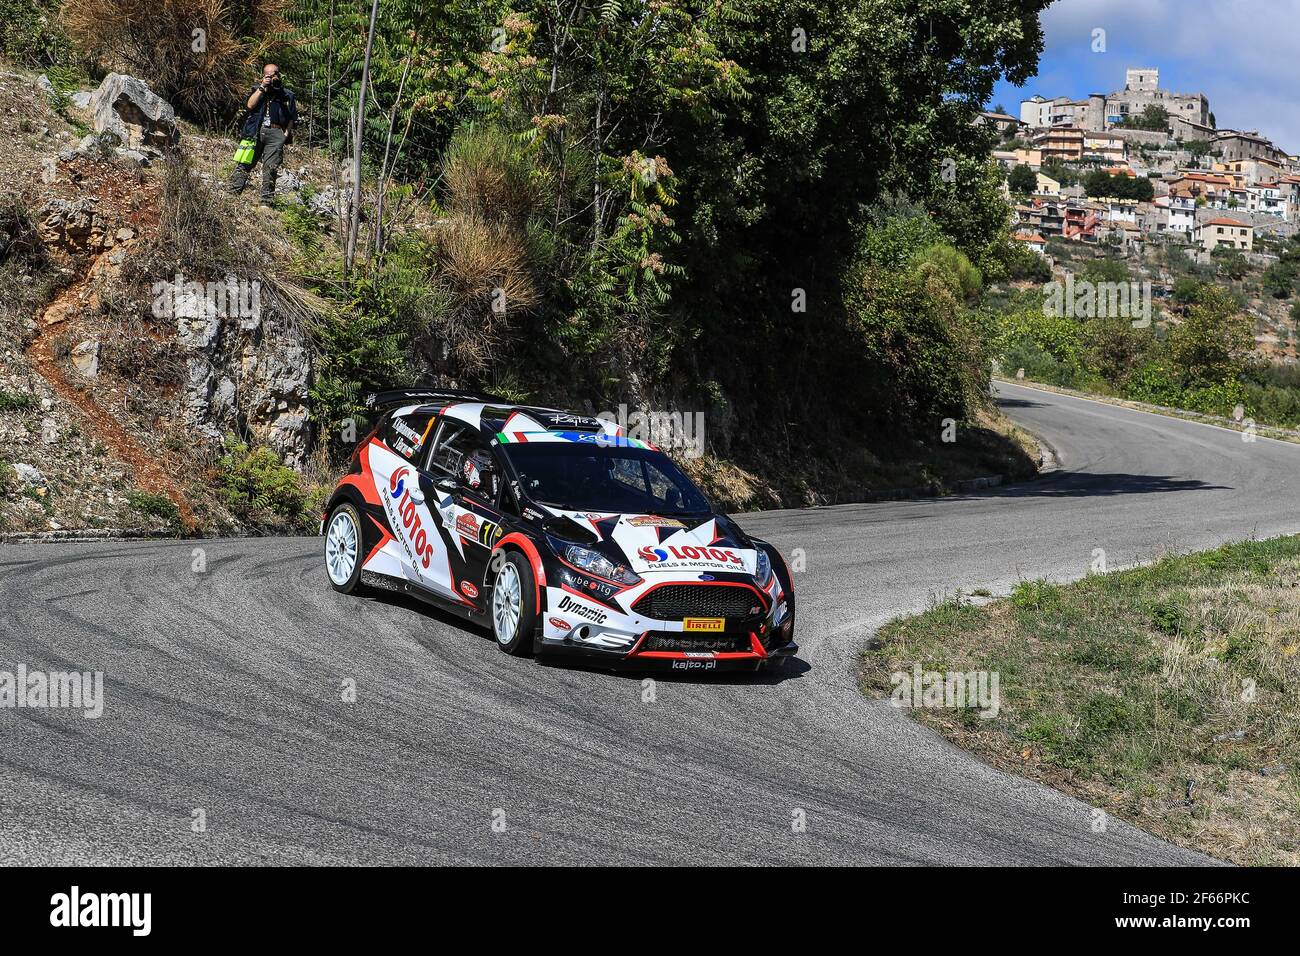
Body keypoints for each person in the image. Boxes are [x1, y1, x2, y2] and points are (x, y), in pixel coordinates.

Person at [229, 64, 298, 204]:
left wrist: (285, 134)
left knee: (270, 168)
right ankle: (232, 194)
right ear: (263, 76)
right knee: (244, 162)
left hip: (275, 133)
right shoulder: (257, 89)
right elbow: (249, 106)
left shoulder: (287, 94)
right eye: (269, 75)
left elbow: (292, 117)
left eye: (275, 75)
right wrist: (262, 87)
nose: (273, 78)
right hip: (255, 132)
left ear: (279, 75)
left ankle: (266, 202)